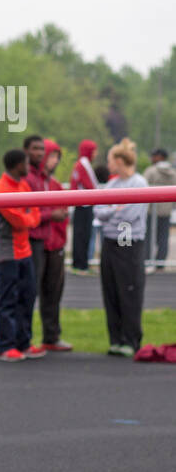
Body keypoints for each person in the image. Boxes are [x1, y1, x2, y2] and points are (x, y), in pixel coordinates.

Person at [95, 139, 148, 356]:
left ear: (119, 161)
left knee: (129, 291)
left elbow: (131, 216)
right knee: (111, 290)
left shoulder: (139, 184)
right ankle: (115, 339)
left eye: (109, 161)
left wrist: (114, 211)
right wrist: (115, 210)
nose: (108, 166)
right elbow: (99, 211)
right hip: (109, 242)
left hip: (128, 242)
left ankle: (131, 339)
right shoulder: (112, 185)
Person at [0, 149, 44, 362]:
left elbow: (36, 212)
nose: (30, 167)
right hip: (6, 252)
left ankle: (24, 342)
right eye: (26, 163)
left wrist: (28, 217)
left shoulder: (23, 185)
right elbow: (20, 221)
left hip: (25, 251)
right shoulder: (0, 190)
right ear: (16, 165)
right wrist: (28, 217)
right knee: (7, 299)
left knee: (27, 296)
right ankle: (6, 346)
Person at [35, 140, 72, 351]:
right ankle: (24, 339)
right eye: (51, 156)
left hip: (55, 247)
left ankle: (51, 336)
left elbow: (63, 214)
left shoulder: (56, 185)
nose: (54, 161)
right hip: (38, 245)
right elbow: (29, 215)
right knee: (30, 292)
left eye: (57, 157)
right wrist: (51, 216)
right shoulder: (33, 183)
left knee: (54, 292)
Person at [69, 139, 99, 273]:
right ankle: (82, 265)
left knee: (79, 235)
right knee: (83, 236)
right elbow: (92, 185)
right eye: (94, 151)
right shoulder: (84, 164)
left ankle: (78, 263)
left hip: (80, 204)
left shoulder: (79, 163)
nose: (96, 154)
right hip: (84, 205)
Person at [142, 147, 175, 271]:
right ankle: (160, 263)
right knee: (163, 238)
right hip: (166, 211)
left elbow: (142, 187)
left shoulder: (151, 171)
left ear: (160, 157)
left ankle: (148, 261)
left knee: (149, 237)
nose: (152, 158)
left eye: (154, 156)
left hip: (152, 210)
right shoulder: (172, 172)